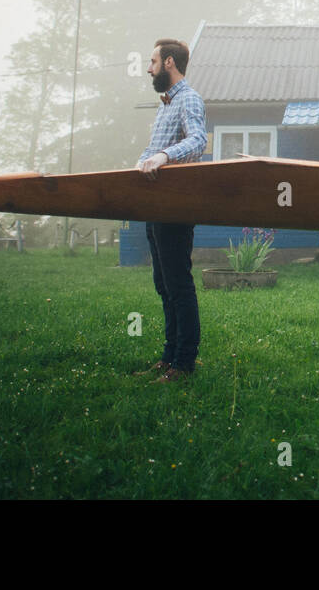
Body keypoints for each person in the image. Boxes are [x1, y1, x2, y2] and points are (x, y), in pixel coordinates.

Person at [134, 38, 208, 384]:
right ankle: (169, 356)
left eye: (152, 62)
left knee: (179, 283)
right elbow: (152, 147)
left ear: (168, 63)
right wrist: (144, 160)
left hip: (177, 203)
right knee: (162, 282)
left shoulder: (189, 99)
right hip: (155, 202)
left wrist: (164, 157)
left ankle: (185, 362)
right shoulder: (165, 104)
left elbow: (198, 141)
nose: (148, 68)